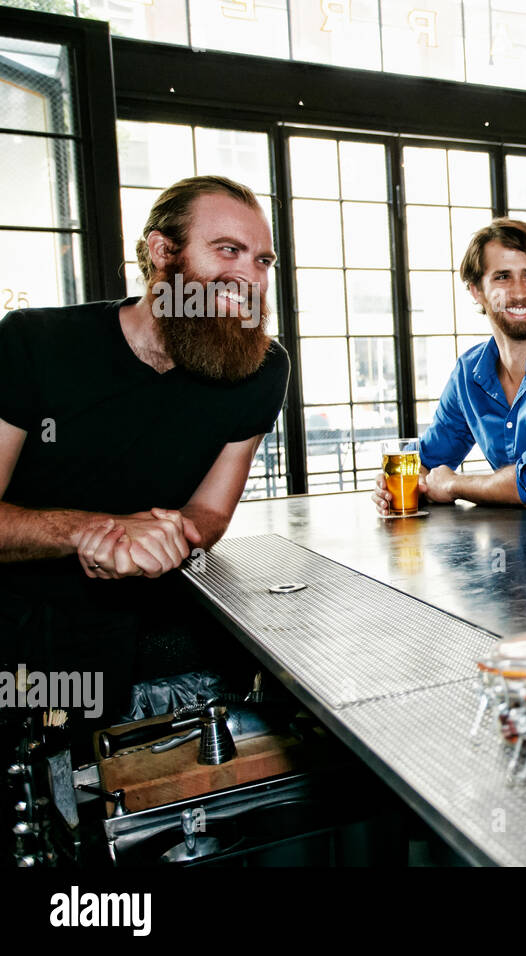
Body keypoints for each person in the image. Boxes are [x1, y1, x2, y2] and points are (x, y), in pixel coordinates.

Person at [0, 175, 290, 717]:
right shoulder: (32, 343)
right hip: (18, 618)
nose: (249, 276)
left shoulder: (262, 368)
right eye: (228, 250)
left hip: (144, 619)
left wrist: (163, 538)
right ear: (163, 251)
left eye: (262, 261)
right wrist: (95, 532)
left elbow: (209, 511)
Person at [373, 219, 526, 511]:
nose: (519, 292)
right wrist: (389, 486)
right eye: (503, 277)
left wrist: (454, 484)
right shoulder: (469, 372)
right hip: (520, 541)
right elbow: (421, 464)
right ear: (476, 290)